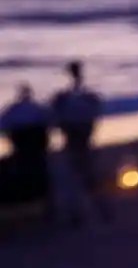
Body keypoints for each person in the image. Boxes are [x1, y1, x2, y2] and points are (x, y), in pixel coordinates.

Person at [52, 60, 110, 222]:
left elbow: (57, 120)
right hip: (80, 140)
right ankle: (98, 210)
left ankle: (86, 211)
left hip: (77, 141)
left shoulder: (69, 99)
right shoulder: (85, 98)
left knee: (77, 178)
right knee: (87, 177)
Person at [0, 83, 53, 210]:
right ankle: (41, 197)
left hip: (24, 142)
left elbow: (3, 125)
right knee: (38, 168)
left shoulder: (13, 109)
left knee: (24, 167)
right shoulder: (38, 107)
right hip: (35, 143)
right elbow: (50, 120)